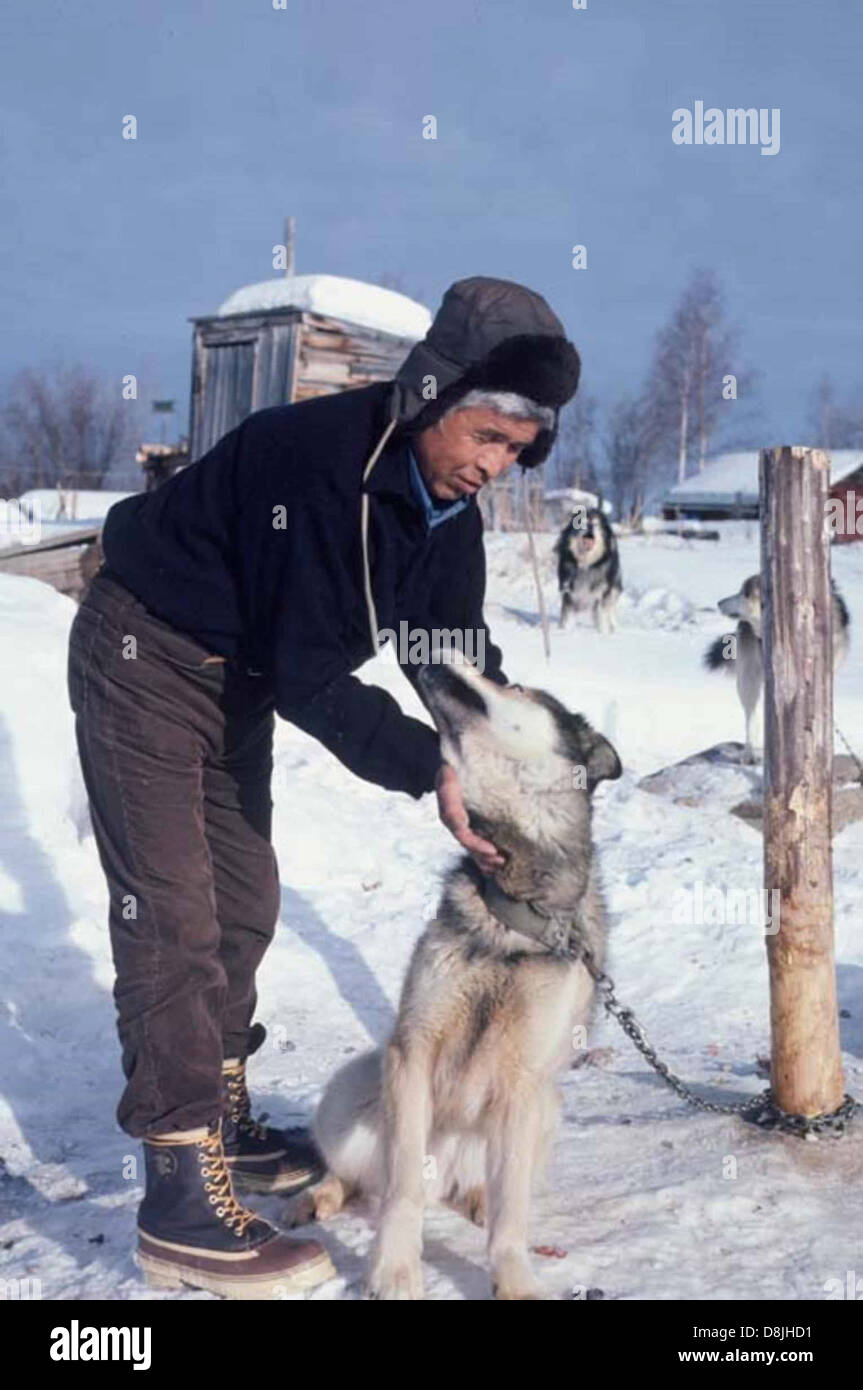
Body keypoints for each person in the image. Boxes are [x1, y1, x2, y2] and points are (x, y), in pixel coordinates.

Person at [67, 275, 581, 1298]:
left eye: (516, 452)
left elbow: (446, 658)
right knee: (174, 916)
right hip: (145, 654)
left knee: (244, 902)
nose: (494, 465)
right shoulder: (312, 465)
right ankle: (177, 1195)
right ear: (431, 396)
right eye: (485, 436)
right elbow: (308, 672)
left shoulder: (448, 515)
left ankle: (221, 1113)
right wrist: (424, 769)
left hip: (236, 678)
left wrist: (499, 758)